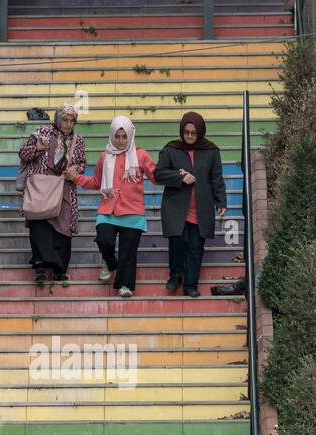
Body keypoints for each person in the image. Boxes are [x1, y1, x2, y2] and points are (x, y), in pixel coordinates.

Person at [67, 115, 156, 298]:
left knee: (128, 252)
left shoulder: (141, 155)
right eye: (118, 136)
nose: (121, 141)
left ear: (130, 135)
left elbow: (156, 176)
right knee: (104, 240)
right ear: (112, 136)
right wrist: (75, 177)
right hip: (108, 209)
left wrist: (175, 174)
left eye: (124, 136)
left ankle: (125, 285)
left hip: (133, 212)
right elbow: (96, 182)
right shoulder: (104, 156)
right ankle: (110, 262)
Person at [154, 112, 227, 298]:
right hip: (176, 207)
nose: (189, 137)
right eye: (186, 132)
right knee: (177, 242)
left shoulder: (211, 151)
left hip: (201, 208)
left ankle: (191, 285)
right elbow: (159, 174)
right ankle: (175, 276)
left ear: (200, 132)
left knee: (195, 247)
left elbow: (216, 178)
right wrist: (180, 177)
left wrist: (221, 201)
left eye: (193, 133)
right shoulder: (171, 149)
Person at [18, 103, 87, 287]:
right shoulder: (42, 132)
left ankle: (60, 270)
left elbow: (82, 163)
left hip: (64, 189)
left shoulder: (77, 140)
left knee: (62, 228)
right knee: (39, 225)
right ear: (57, 119)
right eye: (65, 119)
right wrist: (38, 148)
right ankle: (40, 269)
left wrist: (75, 169)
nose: (68, 124)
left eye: (72, 120)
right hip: (41, 189)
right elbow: (23, 154)